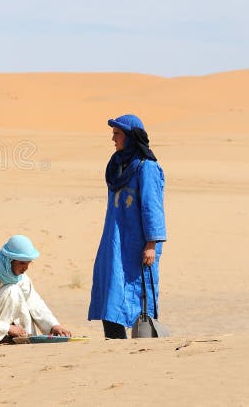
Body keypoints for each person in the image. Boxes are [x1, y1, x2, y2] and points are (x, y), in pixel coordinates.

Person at [88, 114, 167, 339]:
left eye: (117, 134)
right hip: (114, 242)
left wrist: (151, 243)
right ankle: (114, 343)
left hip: (137, 245)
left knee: (138, 296)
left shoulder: (146, 167)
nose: (113, 139)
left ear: (131, 137)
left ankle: (142, 347)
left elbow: (153, 206)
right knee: (110, 292)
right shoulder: (116, 167)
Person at [0, 235, 71, 345]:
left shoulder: (17, 275)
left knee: (20, 297)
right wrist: (9, 328)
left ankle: (26, 338)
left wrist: (54, 326)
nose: (25, 268)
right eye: (21, 263)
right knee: (12, 291)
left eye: (28, 263)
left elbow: (34, 302)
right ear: (9, 260)